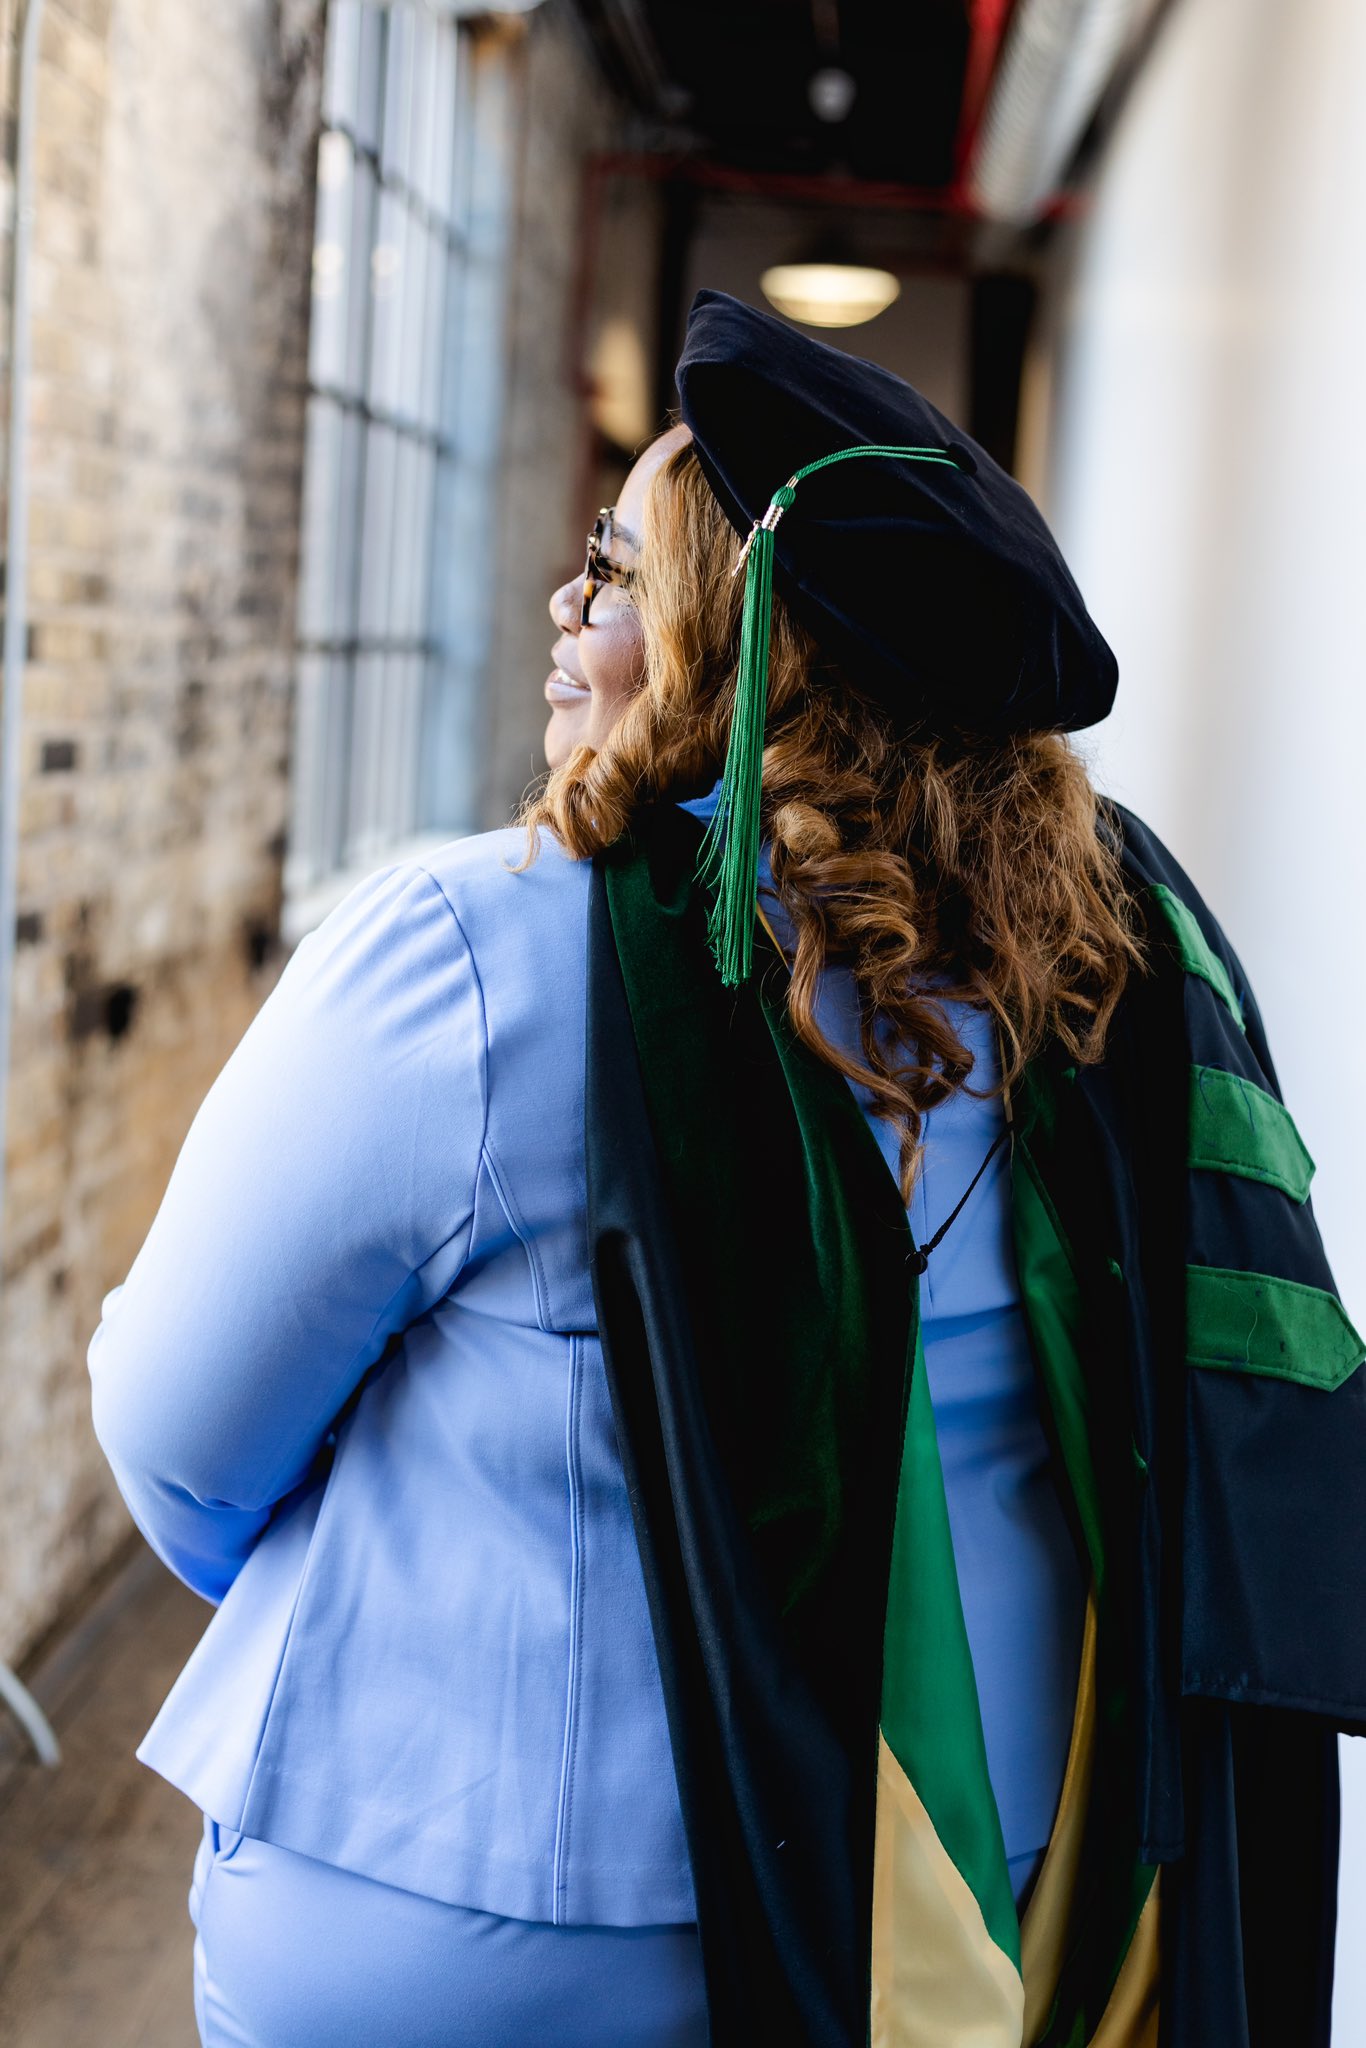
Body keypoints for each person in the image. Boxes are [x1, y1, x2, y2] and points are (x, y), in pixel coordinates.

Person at [88, 290, 1364, 2048]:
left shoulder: (475, 950)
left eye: (617, 573)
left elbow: (181, 1443)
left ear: (737, 639)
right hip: (900, 1918)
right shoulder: (1092, 992)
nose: (568, 604)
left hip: (446, 1900)